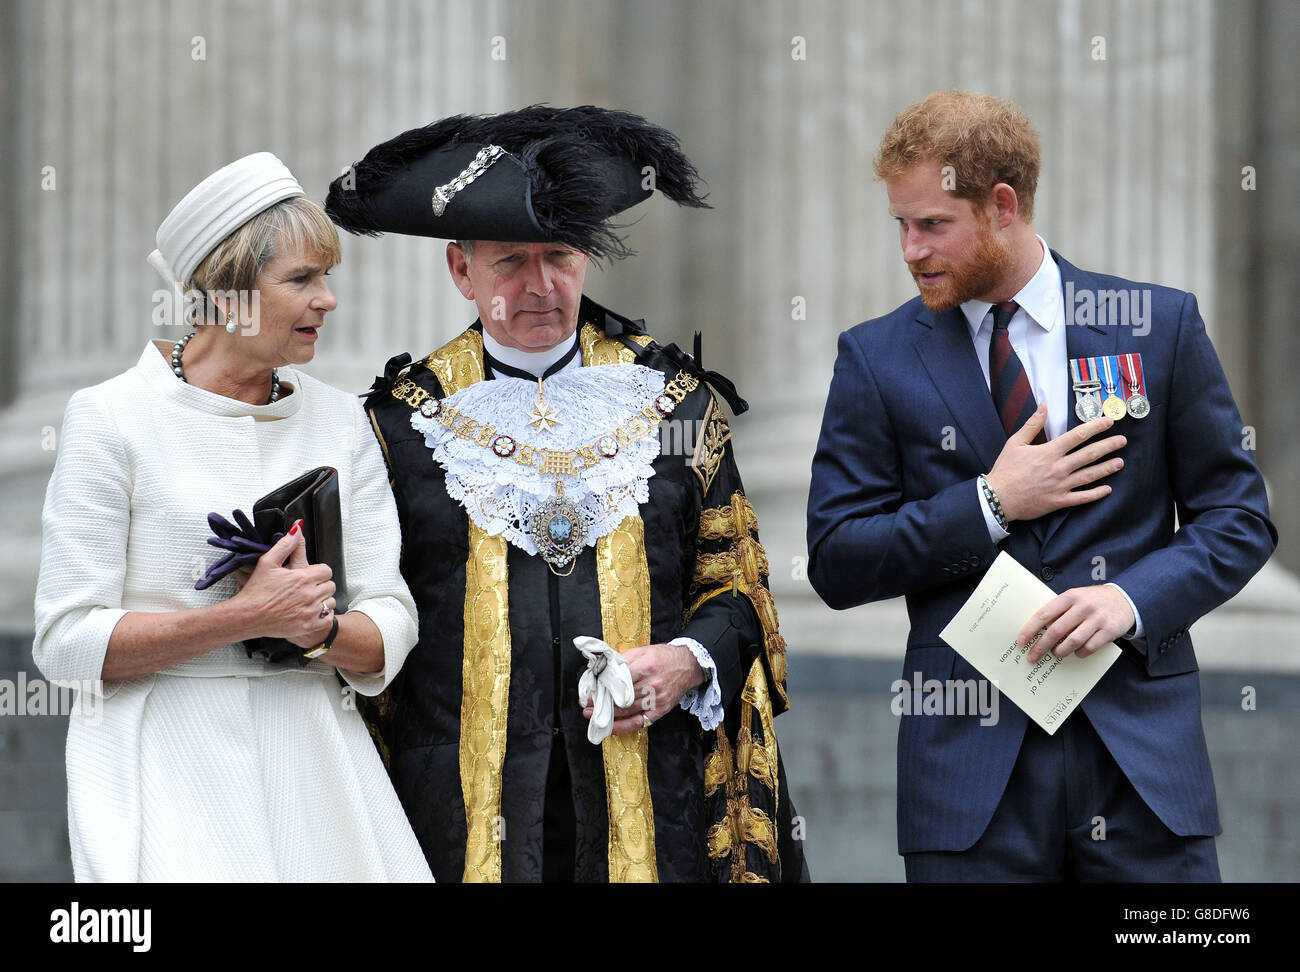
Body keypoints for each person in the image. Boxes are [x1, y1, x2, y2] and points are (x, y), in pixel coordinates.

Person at [325, 105, 807, 882]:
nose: (541, 284)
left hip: (652, 797)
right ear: (462, 270)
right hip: (458, 810)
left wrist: (686, 660)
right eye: (511, 261)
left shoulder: (675, 405)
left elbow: (740, 589)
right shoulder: (396, 427)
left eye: (560, 254)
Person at [806, 91, 1276, 882]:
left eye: (932, 225)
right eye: (901, 226)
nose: (912, 250)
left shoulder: (1154, 327)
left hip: (1142, 767)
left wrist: (1129, 602)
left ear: (1001, 207)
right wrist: (988, 505)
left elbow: (1237, 518)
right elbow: (835, 558)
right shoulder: (877, 357)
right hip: (968, 776)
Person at [33, 152, 432, 881]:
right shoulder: (111, 419)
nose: (328, 301)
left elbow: (391, 622)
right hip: (164, 771)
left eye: (327, 277)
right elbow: (64, 644)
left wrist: (319, 631)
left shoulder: (343, 423)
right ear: (227, 293)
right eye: (302, 279)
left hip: (319, 769)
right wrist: (242, 618)